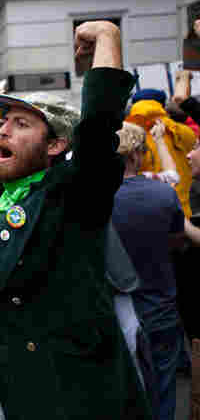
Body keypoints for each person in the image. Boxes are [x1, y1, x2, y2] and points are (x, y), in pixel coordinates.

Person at [0, 20, 149, 419]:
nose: (2, 132)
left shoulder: (73, 191)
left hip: (76, 392)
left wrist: (107, 36)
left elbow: (99, 128)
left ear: (55, 145)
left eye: (21, 124)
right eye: (3, 124)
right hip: (16, 381)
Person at [113, 122, 197, 420]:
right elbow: (178, 237)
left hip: (113, 311)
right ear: (137, 155)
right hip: (160, 306)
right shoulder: (162, 194)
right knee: (163, 389)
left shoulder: (92, 201)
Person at [126, 89, 195, 218]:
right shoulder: (184, 132)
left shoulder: (129, 138)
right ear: (162, 106)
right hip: (186, 211)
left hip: (152, 216)